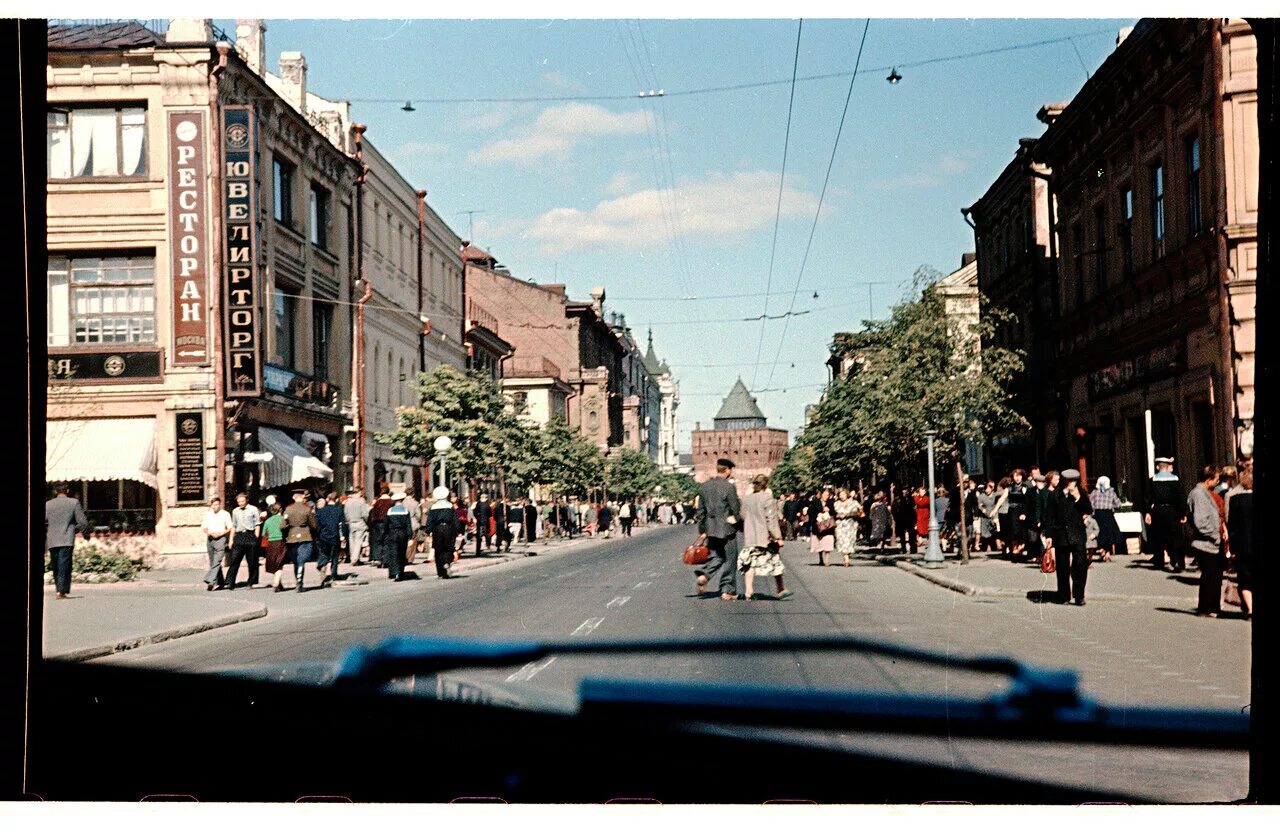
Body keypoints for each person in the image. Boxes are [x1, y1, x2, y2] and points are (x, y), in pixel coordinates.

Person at [694, 458, 743, 600]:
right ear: (727, 470)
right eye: (730, 470)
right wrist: (739, 524)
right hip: (727, 529)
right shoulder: (729, 487)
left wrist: (703, 530)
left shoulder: (704, 487)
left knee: (716, 556)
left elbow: (700, 512)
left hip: (711, 528)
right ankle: (727, 590)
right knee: (730, 558)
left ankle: (705, 575)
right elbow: (735, 508)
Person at [739, 473, 791, 600]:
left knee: (749, 563)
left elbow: (742, 516)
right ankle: (780, 588)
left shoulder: (746, 499)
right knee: (774, 561)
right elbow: (771, 521)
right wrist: (778, 537)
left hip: (750, 536)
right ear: (765, 485)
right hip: (765, 537)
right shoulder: (768, 499)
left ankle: (748, 591)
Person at [1046, 468, 1092, 605]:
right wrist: (1049, 535)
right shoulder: (1055, 494)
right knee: (1062, 567)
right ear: (1064, 481)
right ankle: (1064, 595)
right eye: (1069, 481)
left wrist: (1077, 497)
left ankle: (1079, 595)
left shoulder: (1081, 493)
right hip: (1061, 535)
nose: (1072, 483)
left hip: (1077, 534)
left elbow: (1088, 509)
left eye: (1074, 481)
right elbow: (1049, 516)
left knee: (1080, 564)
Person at [1187, 466, 1225, 617]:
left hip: (1210, 542)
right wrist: (1215, 535)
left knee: (1214, 576)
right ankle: (1207, 607)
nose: (1217, 483)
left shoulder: (1204, 493)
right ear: (1208, 480)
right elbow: (1201, 521)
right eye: (1216, 479)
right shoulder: (1199, 494)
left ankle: (1212, 607)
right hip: (1206, 543)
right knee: (1209, 576)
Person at [45, 484, 89, 600]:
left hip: (52, 539)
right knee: (64, 564)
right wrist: (80, 532)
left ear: (55, 492)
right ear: (67, 491)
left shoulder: (48, 504)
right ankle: (61, 591)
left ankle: (59, 589)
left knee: (56, 565)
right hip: (66, 539)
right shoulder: (74, 502)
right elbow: (82, 522)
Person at [1145, 457, 1186, 572]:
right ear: (1168, 466)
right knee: (1175, 537)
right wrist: (1183, 513)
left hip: (1158, 510)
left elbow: (1148, 498)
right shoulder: (1176, 480)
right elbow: (1181, 497)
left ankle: (1159, 560)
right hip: (1173, 510)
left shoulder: (1153, 480)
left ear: (1158, 467)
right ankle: (1177, 561)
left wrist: (1148, 512)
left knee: (1158, 536)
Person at [1227, 468, 1253, 619]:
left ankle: (1250, 609)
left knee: (1244, 578)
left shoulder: (1236, 500)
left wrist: (1232, 548)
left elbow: (1233, 527)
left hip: (1243, 546)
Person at [281, 488, 317, 592]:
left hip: (291, 537)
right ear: (303, 497)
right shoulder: (307, 509)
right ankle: (300, 581)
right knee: (302, 559)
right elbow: (314, 525)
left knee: (295, 560)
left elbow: (282, 525)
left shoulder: (288, 509)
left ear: (293, 497)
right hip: (305, 535)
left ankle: (298, 580)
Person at [224, 492, 261, 590]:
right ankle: (230, 582)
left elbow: (257, 523)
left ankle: (251, 582)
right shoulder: (235, 511)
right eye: (239, 501)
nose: (241, 503)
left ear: (246, 500)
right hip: (239, 536)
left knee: (252, 561)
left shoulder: (253, 509)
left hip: (250, 535)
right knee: (235, 560)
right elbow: (234, 526)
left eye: (242, 501)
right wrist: (231, 540)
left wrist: (256, 536)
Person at [426, 486, 460, 579]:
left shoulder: (433, 507)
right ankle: (447, 562)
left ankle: (440, 571)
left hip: (437, 529)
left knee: (438, 549)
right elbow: (455, 519)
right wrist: (457, 530)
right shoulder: (450, 506)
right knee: (448, 547)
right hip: (448, 528)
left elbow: (430, 520)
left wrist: (428, 531)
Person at [315, 491, 347, 587]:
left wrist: (319, 534)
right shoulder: (339, 510)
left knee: (324, 553)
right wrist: (343, 536)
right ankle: (333, 574)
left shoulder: (320, 511)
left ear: (327, 499)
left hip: (323, 536)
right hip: (335, 536)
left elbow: (318, 525)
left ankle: (322, 564)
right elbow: (342, 525)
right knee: (334, 557)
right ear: (336, 499)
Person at [1087, 476, 1123, 561]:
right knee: (1109, 533)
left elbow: (1090, 504)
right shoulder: (1111, 492)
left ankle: (1102, 550)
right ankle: (1107, 552)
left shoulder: (1094, 492)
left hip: (1098, 515)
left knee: (1100, 533)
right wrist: (1111, 506)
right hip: (1108, 514)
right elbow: (1118, 504)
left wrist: (1092, 513)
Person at [201, 497, 233, 592]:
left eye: (217, 504)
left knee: (217, 561)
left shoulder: (225, 514)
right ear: (211, 505)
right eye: (213, 505)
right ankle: (221, 582)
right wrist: (209, 533)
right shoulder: (208, 515)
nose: (215, 506)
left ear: (220, 505)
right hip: (210, 539)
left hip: (221, 539)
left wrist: (221, 533)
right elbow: (204, 527)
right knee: (213, 562)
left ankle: (210, 581)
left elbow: (230, 527)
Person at [384, 492, 414, 581]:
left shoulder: (389, 511)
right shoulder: (405, 511)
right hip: (402, 533)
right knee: (401, 553)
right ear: (402, 500)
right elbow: (408, 524)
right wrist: (410, 536)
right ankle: (400, 572)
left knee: (393, 552)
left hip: (392, 533)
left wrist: (385, 533)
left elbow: (386, 524)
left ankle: (394, 572)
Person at [261, 503, 288, 592]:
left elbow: (263, 534)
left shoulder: (268, 521)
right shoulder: (282, 519)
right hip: (280, 542)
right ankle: (276, 583)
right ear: (280, 510)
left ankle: (280, 584)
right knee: (280, 563)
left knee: (274, 563)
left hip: (271, 543)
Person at [833, 488, 861, 567]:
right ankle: (846, 558)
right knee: (842, 541)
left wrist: (849, 514)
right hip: (840, 525)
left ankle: (847, 555)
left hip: (851, 525)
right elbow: (833, 514)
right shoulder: (836, 503)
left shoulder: (854, 502)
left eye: (843, 494)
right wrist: (837, 515)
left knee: (850, 541)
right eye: (840, 495)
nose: (842, 496)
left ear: (847, 494)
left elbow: (860, 511)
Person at [809, 487, 836, 567]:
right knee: (819, 543)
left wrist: (829, 510)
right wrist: (817, 514)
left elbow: (834, 513)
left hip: (828, 527)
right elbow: (810, 512)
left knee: (828, 542)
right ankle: (821, 557)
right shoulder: (815, 502)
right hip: (818, 526)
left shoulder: (831, 503)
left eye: (827, 495)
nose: (826, 496)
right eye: (824, 495)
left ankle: (827, 559)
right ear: (821, 495)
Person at [343, 486, 370, 565]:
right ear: (359, 492)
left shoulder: (348, 502)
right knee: (358, 541)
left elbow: (346, 513)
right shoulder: (362, 501)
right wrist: (366, 522)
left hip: (351, 523)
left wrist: (349, 520)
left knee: (352, 541)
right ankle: (354, 559)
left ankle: (354, 557)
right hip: (360, 522)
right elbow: (365, 514)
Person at [367, 489, 394, 568]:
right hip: (388, 523)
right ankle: (386, 560)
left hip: (378, 524)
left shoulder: (378, 502)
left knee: (379, 541)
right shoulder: (391, 502)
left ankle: (379, 559)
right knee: (387, 541)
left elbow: (373, 514)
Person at [891, 486, 917, 554]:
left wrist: (914, 519)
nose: (905, 491)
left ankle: (913, 549)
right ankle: (903, 549)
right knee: (902, 536)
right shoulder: (897, 499)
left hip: (909, 518)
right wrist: (896, 518)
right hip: (900, 519)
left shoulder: (910, 498)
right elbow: (893, 509)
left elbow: (913, 509)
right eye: (903, 490)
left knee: (912, 535)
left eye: (906, 490)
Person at [976, 481, 998, 553]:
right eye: (986, 489)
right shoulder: (981, 496)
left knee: (993, 532)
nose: (987, 490)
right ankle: (987, 546)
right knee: (985, 533)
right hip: (984, 516)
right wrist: (983, 510)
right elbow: (979, 506)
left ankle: (993, 546)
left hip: (993, 515)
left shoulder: (995, 495)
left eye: (989, 488)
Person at [402, 488, 421, 565]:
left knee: (404, 542)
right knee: (412, 542)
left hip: (403, 523)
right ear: (413, 494)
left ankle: (403, 557)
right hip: (413, 522)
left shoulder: (402, 502)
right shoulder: (415, 503)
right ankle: (410, 558)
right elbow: (418, 515)